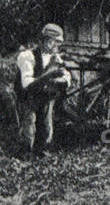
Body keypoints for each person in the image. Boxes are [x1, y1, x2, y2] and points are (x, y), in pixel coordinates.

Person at [14, 23, 72, 155]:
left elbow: (66, 77)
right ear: (43, 40)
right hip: (28, 97)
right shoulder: (27, 56)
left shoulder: (55, 57)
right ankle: (24, 153)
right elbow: (27, 84)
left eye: (58, 43)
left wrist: (62, 81)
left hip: (46, 96)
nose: (55, 46)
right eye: (52, 42)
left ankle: (43, 151)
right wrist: (49, 76)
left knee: (46, 127)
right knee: (28, 126)